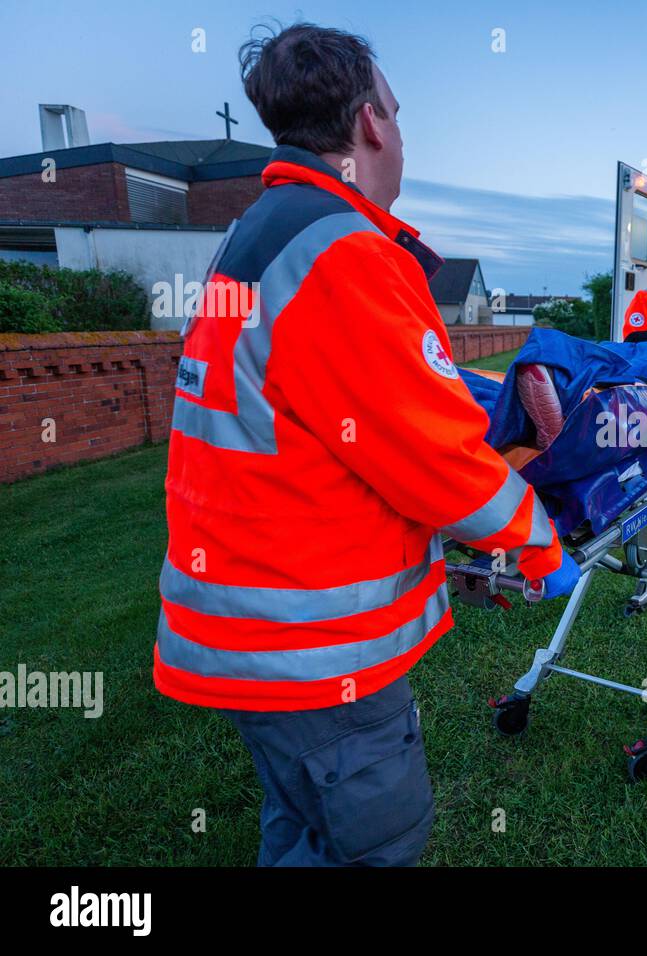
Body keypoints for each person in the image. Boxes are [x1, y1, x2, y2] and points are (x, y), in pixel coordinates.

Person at [152, 22, 578, 866]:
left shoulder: (260, 232)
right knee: (375, 842)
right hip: (311, 642)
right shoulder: (344, 253)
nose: (400, 132)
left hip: (248, 617)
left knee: (302, 824)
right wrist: (535, 542)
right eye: (396, 113)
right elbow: (434, 454)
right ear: (372, 123)